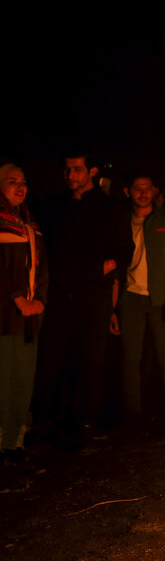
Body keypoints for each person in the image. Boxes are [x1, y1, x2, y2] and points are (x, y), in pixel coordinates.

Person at [32, 151, 120, 449]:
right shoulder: (54, 206)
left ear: (92, 171)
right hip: (60, 294)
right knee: (51, 357)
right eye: (67, 169)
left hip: (94, 297)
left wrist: (101, 270)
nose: (71, 175)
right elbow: (47, 249)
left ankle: (85, 423)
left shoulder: (110, 207)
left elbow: (123, 250)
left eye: (77, 169)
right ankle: (44, 421)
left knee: (91, 360)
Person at [112, 172, 165, 439]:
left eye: (148, 188)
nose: (143, 193)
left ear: (154, 191)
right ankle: (133, 416)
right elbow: (117, 267)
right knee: (130, 358)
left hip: (160, 298)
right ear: (128, 191)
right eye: (138, 188)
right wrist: (114, 307)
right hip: (131, 297)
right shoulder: (122, 220)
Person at [0, 164, 47, 463]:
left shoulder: (30, 224)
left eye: (24, 182)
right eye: (12, 182)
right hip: (4, 315)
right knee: (2, 378)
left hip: (29, 316)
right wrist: (17, 299)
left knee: (22, 378)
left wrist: (39, 300)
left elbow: (43, 267)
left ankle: (14, 441)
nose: (20, 187)